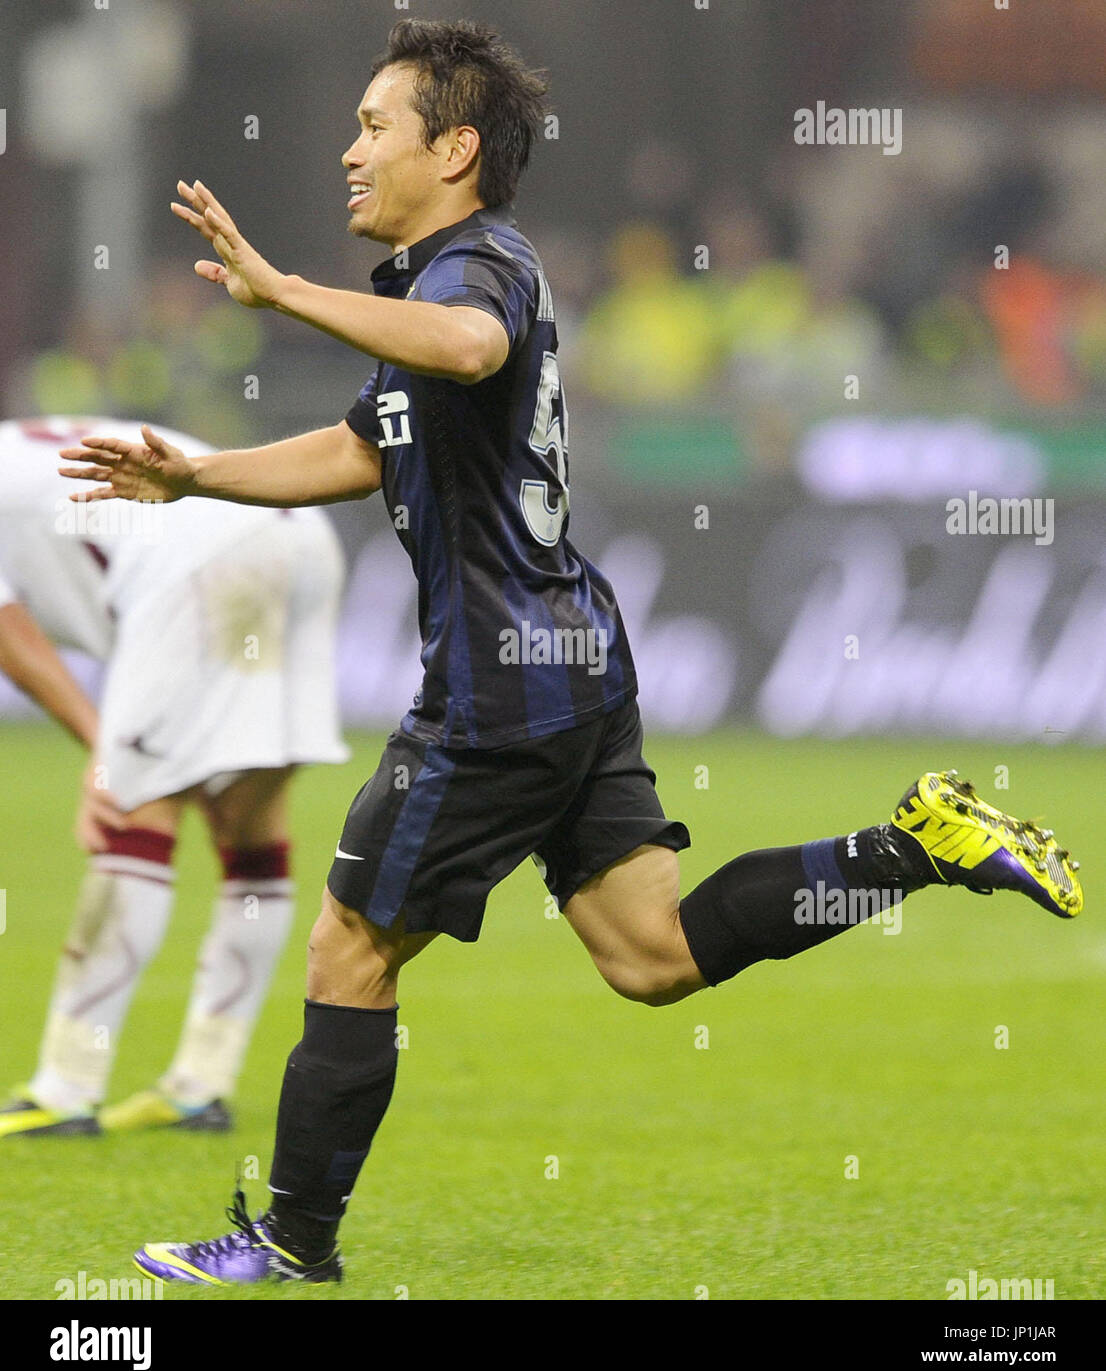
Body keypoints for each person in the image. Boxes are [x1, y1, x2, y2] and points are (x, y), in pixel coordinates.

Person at [58, 20, 1082, 1286]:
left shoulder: (473, 271)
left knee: (348, 946)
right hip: (572, 657)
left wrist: (282, 293)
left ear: (456, 147)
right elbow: (364, 448)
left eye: (374, 128)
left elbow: (474, 348)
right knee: (648, 954)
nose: (348, 151)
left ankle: (289, 1243)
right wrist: (198, 474)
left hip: (497, 687)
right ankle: (913, 843)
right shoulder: (432, 286)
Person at [0, 415, 348, 1136]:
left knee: (134, 811)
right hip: (299, 535)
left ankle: (65, 1090)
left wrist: (101, 750)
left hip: (201, 558)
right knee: (250, 826)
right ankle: (201, 1083)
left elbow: (9, 633)